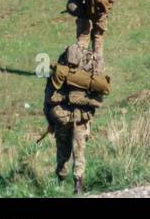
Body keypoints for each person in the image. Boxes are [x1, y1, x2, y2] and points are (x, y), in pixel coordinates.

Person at [43, 41, 110, 195]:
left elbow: (48, 98)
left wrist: (50, 121)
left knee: (63, 151)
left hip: (63, 117)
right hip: (80, 118)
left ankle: (61, 183)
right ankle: (77, 185)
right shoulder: (90, 69)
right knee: (79, 151)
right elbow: (98, 97)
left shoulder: (60, 71)